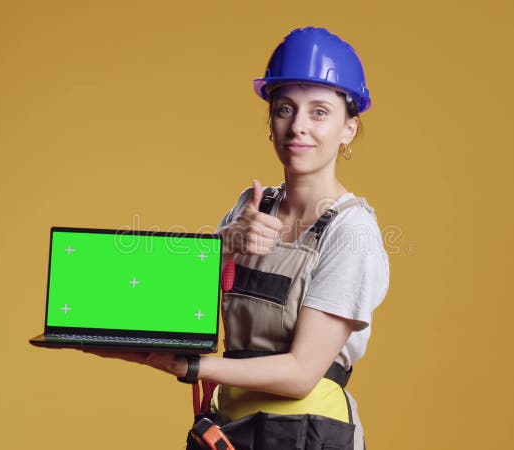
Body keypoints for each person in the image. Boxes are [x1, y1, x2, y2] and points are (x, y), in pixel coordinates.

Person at [86, 27, 389, 450]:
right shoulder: (252, 207)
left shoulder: (350, 230)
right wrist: (226, 243)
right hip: (234, 429)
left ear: (349, 129)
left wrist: (190, 366)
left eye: (319, 112)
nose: (299, 126)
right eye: (286, 109)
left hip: (309, 434)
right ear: (271, 121)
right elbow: (176, 304)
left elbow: (302, 372)